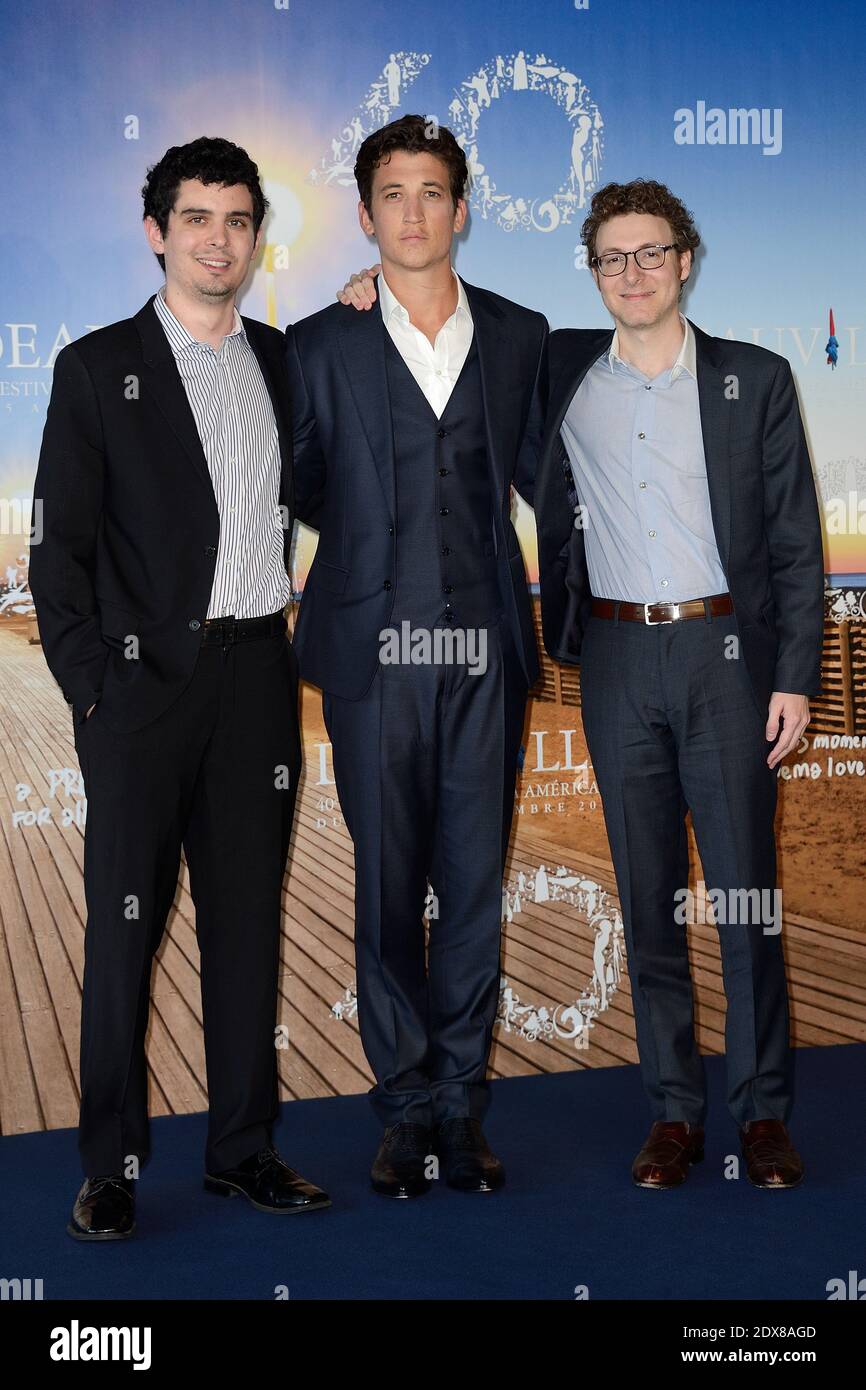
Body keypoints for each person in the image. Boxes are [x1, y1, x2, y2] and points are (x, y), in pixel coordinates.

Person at [30, 136, 330, 1240]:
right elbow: (55, 550)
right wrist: (93, 685)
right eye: (196, 218)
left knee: (248, 928)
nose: (219, 238)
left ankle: (242, 1151)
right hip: (141, 692)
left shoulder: (286, 359)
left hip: (257, 677)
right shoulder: (94, 365)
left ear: (258, 238)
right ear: (156, 232)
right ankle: (109, 1166)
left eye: (239, 220)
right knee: (122, 935)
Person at [534, 179, 824, 1189]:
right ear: (594, 272)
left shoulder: (755, 377)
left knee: (746, 894)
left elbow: (794, 543)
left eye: (649, 252)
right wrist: (368, 288)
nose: (632, 273)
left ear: (685, 259)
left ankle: (762, 1114)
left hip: (725, 660)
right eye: (611, 257)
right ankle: (671, 1113)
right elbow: (456, 328)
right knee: (646, 896)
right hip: (615, 658)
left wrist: (793, 677)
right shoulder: (562, 377)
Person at [286, 114, 547, 1197]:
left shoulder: (524, 333)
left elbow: (567, 469)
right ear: (363, 213)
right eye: (391, 193)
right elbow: (291, 482)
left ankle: (461, 1108)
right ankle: (401, 1113)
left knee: (473, 888)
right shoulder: (314, 342)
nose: (412, 211)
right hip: (373, 654)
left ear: (461, 208)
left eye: (432, 191)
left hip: (485, 648)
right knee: (388, 889)